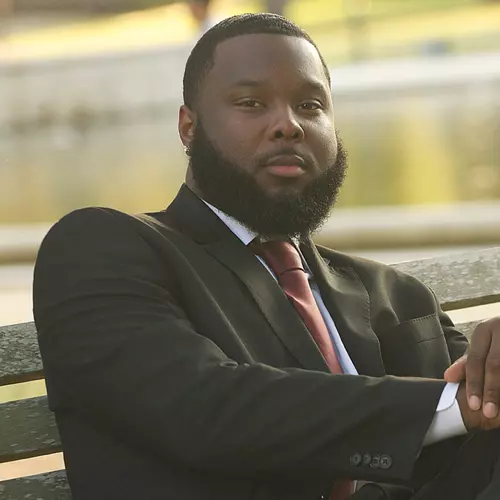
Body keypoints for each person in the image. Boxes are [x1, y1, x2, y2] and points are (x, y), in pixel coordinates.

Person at [33, 13, 500, 500]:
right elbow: (204, 411)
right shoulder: (104, 248)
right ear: (189, 127)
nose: (288, 125)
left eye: (310, 105)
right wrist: (454, 405)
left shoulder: (397, 294)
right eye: (251, 103)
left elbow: (479, 419)